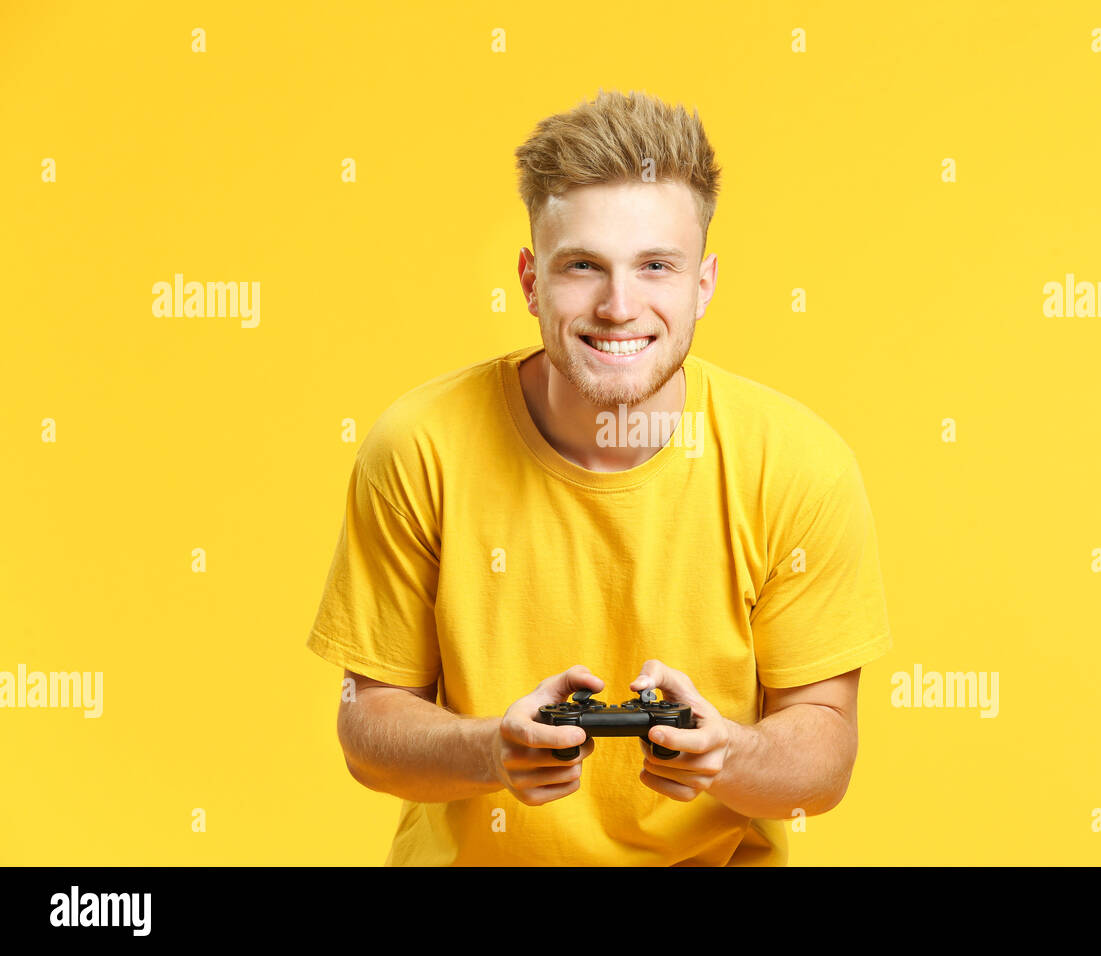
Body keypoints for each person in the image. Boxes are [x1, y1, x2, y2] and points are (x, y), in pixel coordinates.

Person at [306, 89, 892, 865]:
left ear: (704, 285)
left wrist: (725, 754)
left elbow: (825, 756)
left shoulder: (799, 465)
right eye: (582, 266)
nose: (620, 307)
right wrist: (492, 750)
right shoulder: (418, 447)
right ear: (529, 281)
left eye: (656, 266)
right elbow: (368, 726)